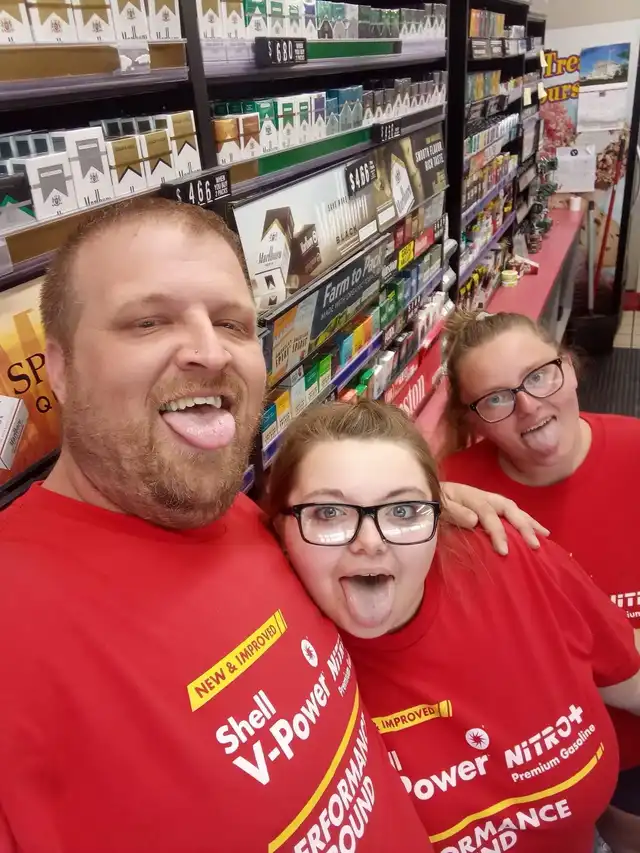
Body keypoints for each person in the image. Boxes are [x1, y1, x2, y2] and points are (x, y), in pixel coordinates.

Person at [0, 198, 544, 853]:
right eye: (148, 321)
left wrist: (412, 503)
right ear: (60, 368)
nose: (209, 351)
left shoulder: (241, 516)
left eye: (232, 323)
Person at [266, 399, 640, 853]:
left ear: (438, 515)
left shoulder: (507, 555)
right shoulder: (275, 659)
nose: (370, 542)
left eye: (402, 510)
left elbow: (627, 674)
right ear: (279, 531)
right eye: (329, 512)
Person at [438, 309, 640, 850]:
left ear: (569, 368)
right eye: (496, 399)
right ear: (474, 420)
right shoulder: (450, 497)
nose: (528, 405)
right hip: (531, 762)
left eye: (539, 376)